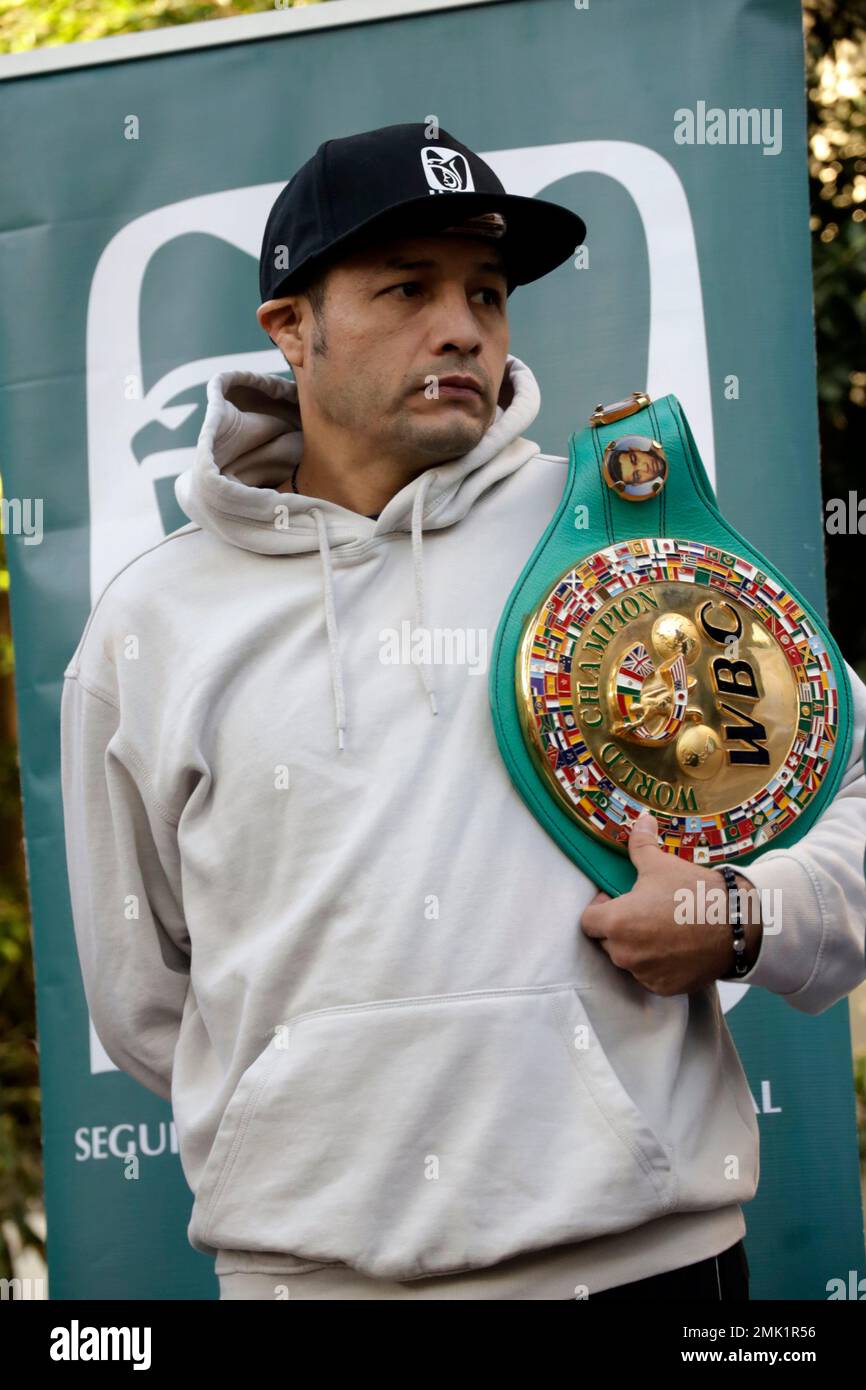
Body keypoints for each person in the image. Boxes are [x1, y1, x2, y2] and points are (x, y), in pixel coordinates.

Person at [60, 122, 866, 1302]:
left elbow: (851, 778)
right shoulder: (153, 621)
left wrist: (739, 911)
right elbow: (146, 1001)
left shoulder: (622, 541)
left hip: (648, 1271)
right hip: (310, 1284)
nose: (462, 327)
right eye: (407, 288)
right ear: (291, 325)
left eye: (486, 292)